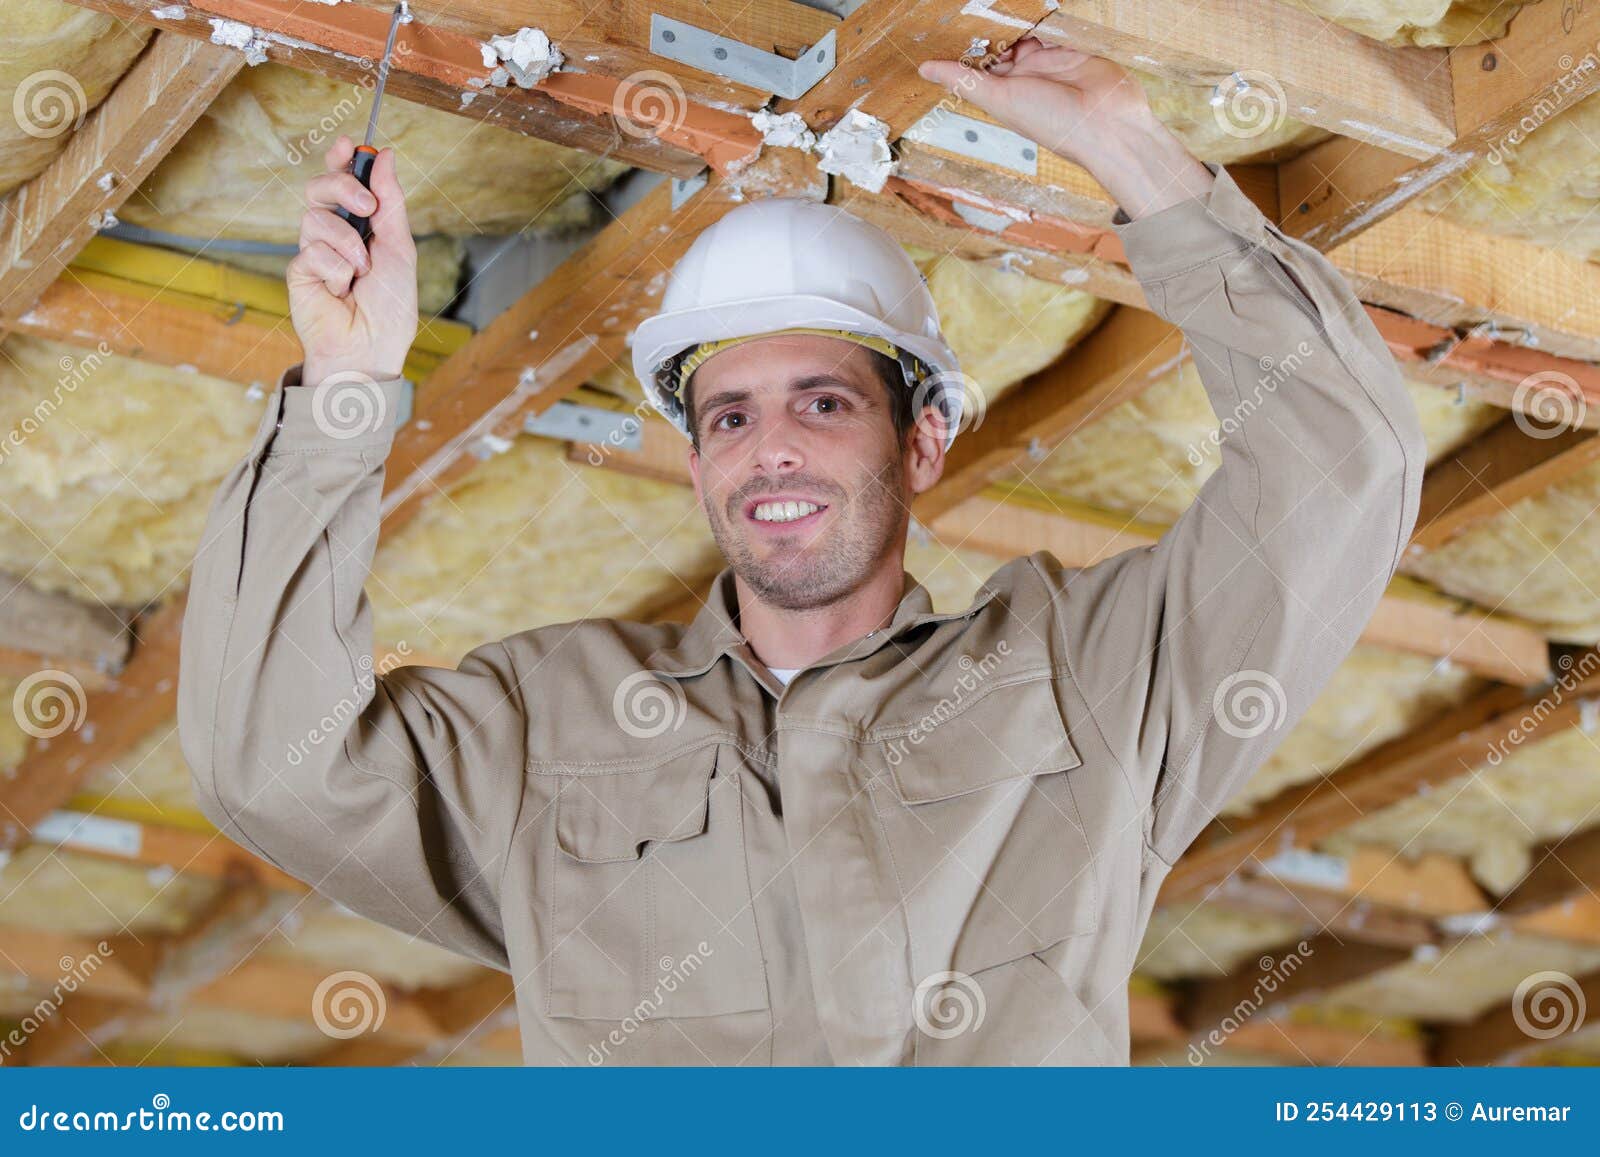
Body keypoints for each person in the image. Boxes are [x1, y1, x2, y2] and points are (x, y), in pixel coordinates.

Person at [178, 38, 1423, 1065]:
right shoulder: (546, 721)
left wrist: (1132, 150)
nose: (769, 446)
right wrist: (345, 387)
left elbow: (1338, 471)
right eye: (730, 414)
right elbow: (271, 766)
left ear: (922, 440)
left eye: (822, 402)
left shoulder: (1089, 682)